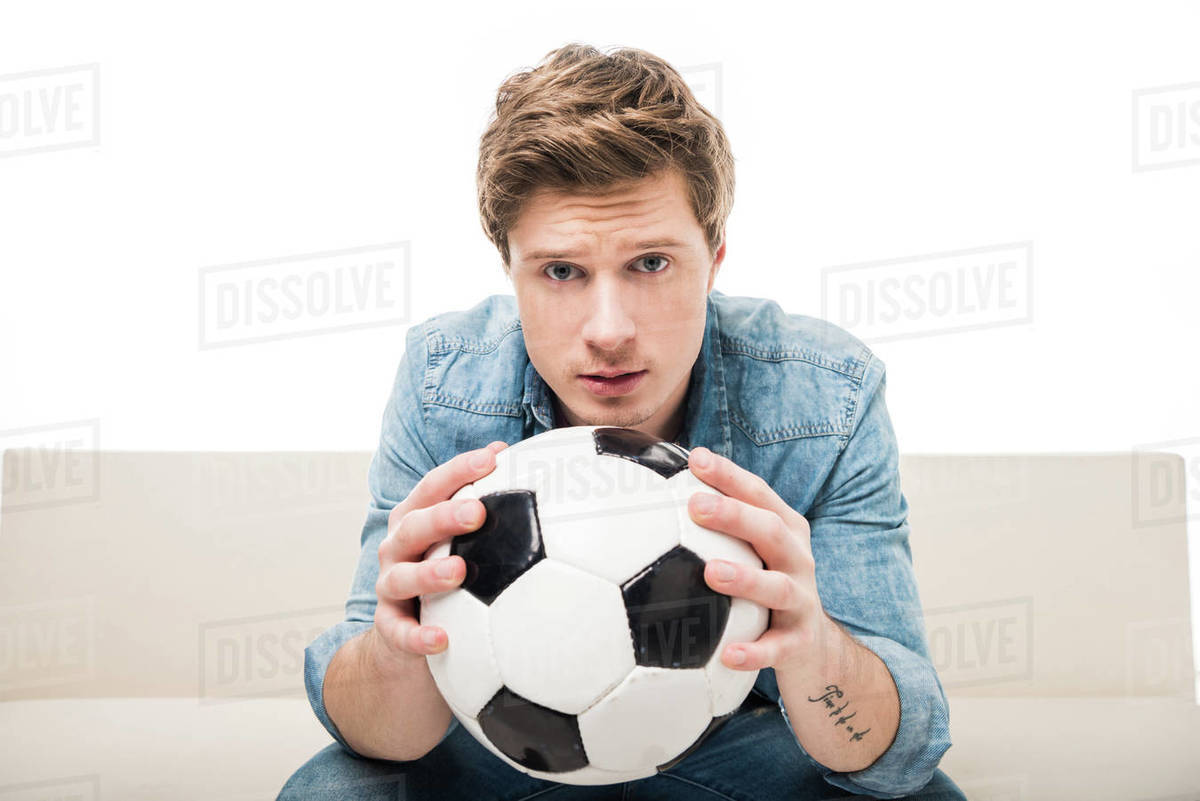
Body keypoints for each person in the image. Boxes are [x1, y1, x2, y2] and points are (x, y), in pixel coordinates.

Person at [279, 42, 968, 801]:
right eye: (562, 271)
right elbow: (382, 736)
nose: (608, 330)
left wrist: (816, 649)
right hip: (499, 748)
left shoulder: (826, 397)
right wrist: (394, 644)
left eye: (651, 263)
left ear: (716, 255)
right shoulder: (445, 385)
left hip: (749, 741)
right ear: (510, 270)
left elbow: (892, 755)